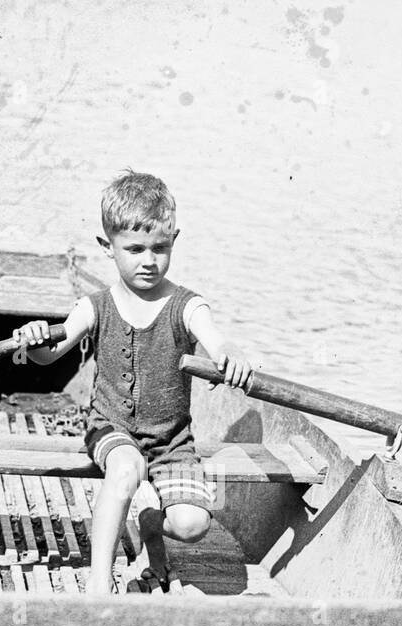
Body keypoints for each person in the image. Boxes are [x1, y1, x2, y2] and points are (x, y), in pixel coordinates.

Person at [15, 169, 253, 593]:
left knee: (192, 524)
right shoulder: (95, 306)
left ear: (174, 240)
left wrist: (227, 354)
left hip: (171, 442)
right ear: (107, 247)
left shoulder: (186, 305)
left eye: (160, 248)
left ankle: (148, 521)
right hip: (110, 428)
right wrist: (34, 339)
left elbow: (216, 340)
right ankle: (98, 584)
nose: (149, 260)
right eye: (135, 248)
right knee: (125, 468)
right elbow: (49, 354)